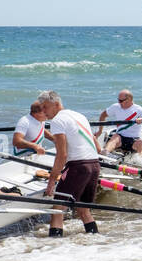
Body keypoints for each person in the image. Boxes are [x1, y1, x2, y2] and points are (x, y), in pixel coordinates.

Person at [40, 91, 101, 237]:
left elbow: (62, 155)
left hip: (78, 167)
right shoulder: (79, 115)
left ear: (56, 104)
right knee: (83, 209)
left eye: (45, 107)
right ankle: (95, 239)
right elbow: (95, 143)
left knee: (57, 209)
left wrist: (51, 181)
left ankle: (53, 246)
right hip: (94, 165)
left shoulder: (57, 121)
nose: (43, 112)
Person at [97, 89, 142, 159]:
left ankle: (140, 162)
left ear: (129, 99)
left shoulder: (139, 110)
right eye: (118, 100)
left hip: (133, 140)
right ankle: (104, 155)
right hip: (120, 138)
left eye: (121, 101)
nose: (119, 102)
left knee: (140, 143)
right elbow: (103, 115)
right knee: (115, 137)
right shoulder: (116, 107)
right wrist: (100, 131)